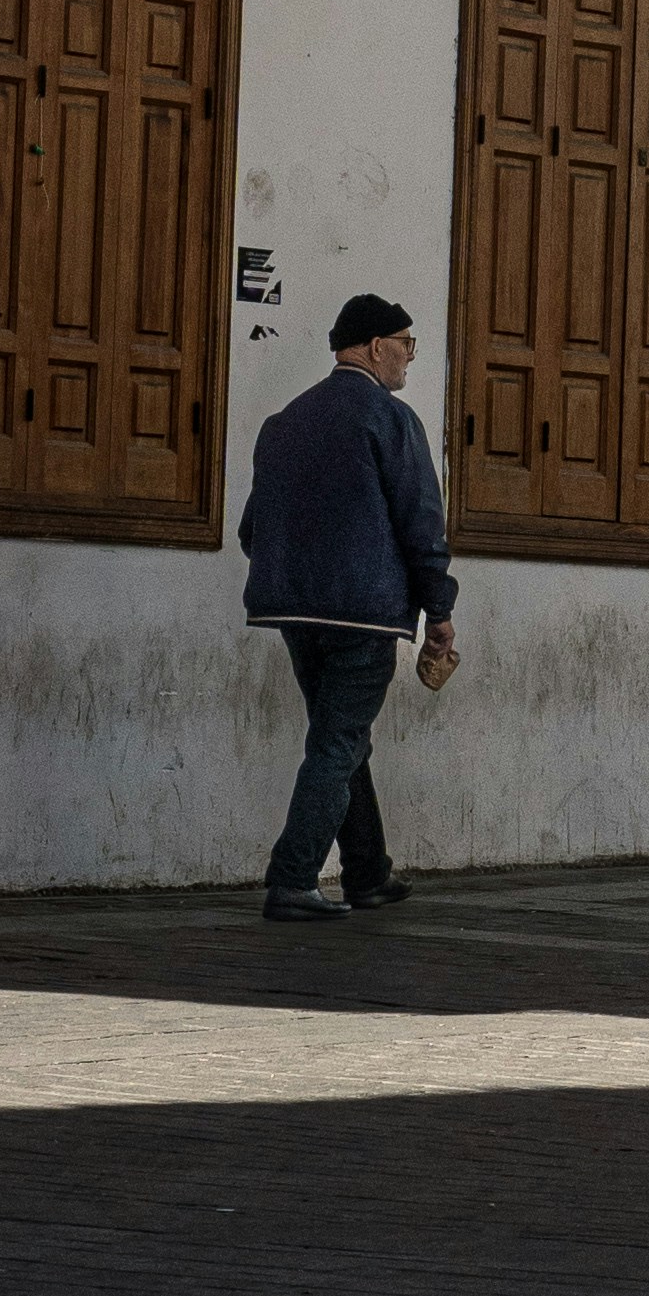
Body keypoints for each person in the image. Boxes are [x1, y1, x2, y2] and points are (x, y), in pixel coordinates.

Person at [237, 291, 459, 921]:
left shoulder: (286, 420)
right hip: (363, 615)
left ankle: (368, 873)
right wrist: (437, 611)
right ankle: (292, 879)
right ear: (371, 346)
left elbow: (255, 529)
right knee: (338, 743)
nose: (410, 359)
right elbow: (422, 525)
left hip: (295, 614)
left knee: (341, 739)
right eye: (405, 344)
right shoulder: (390, 421)